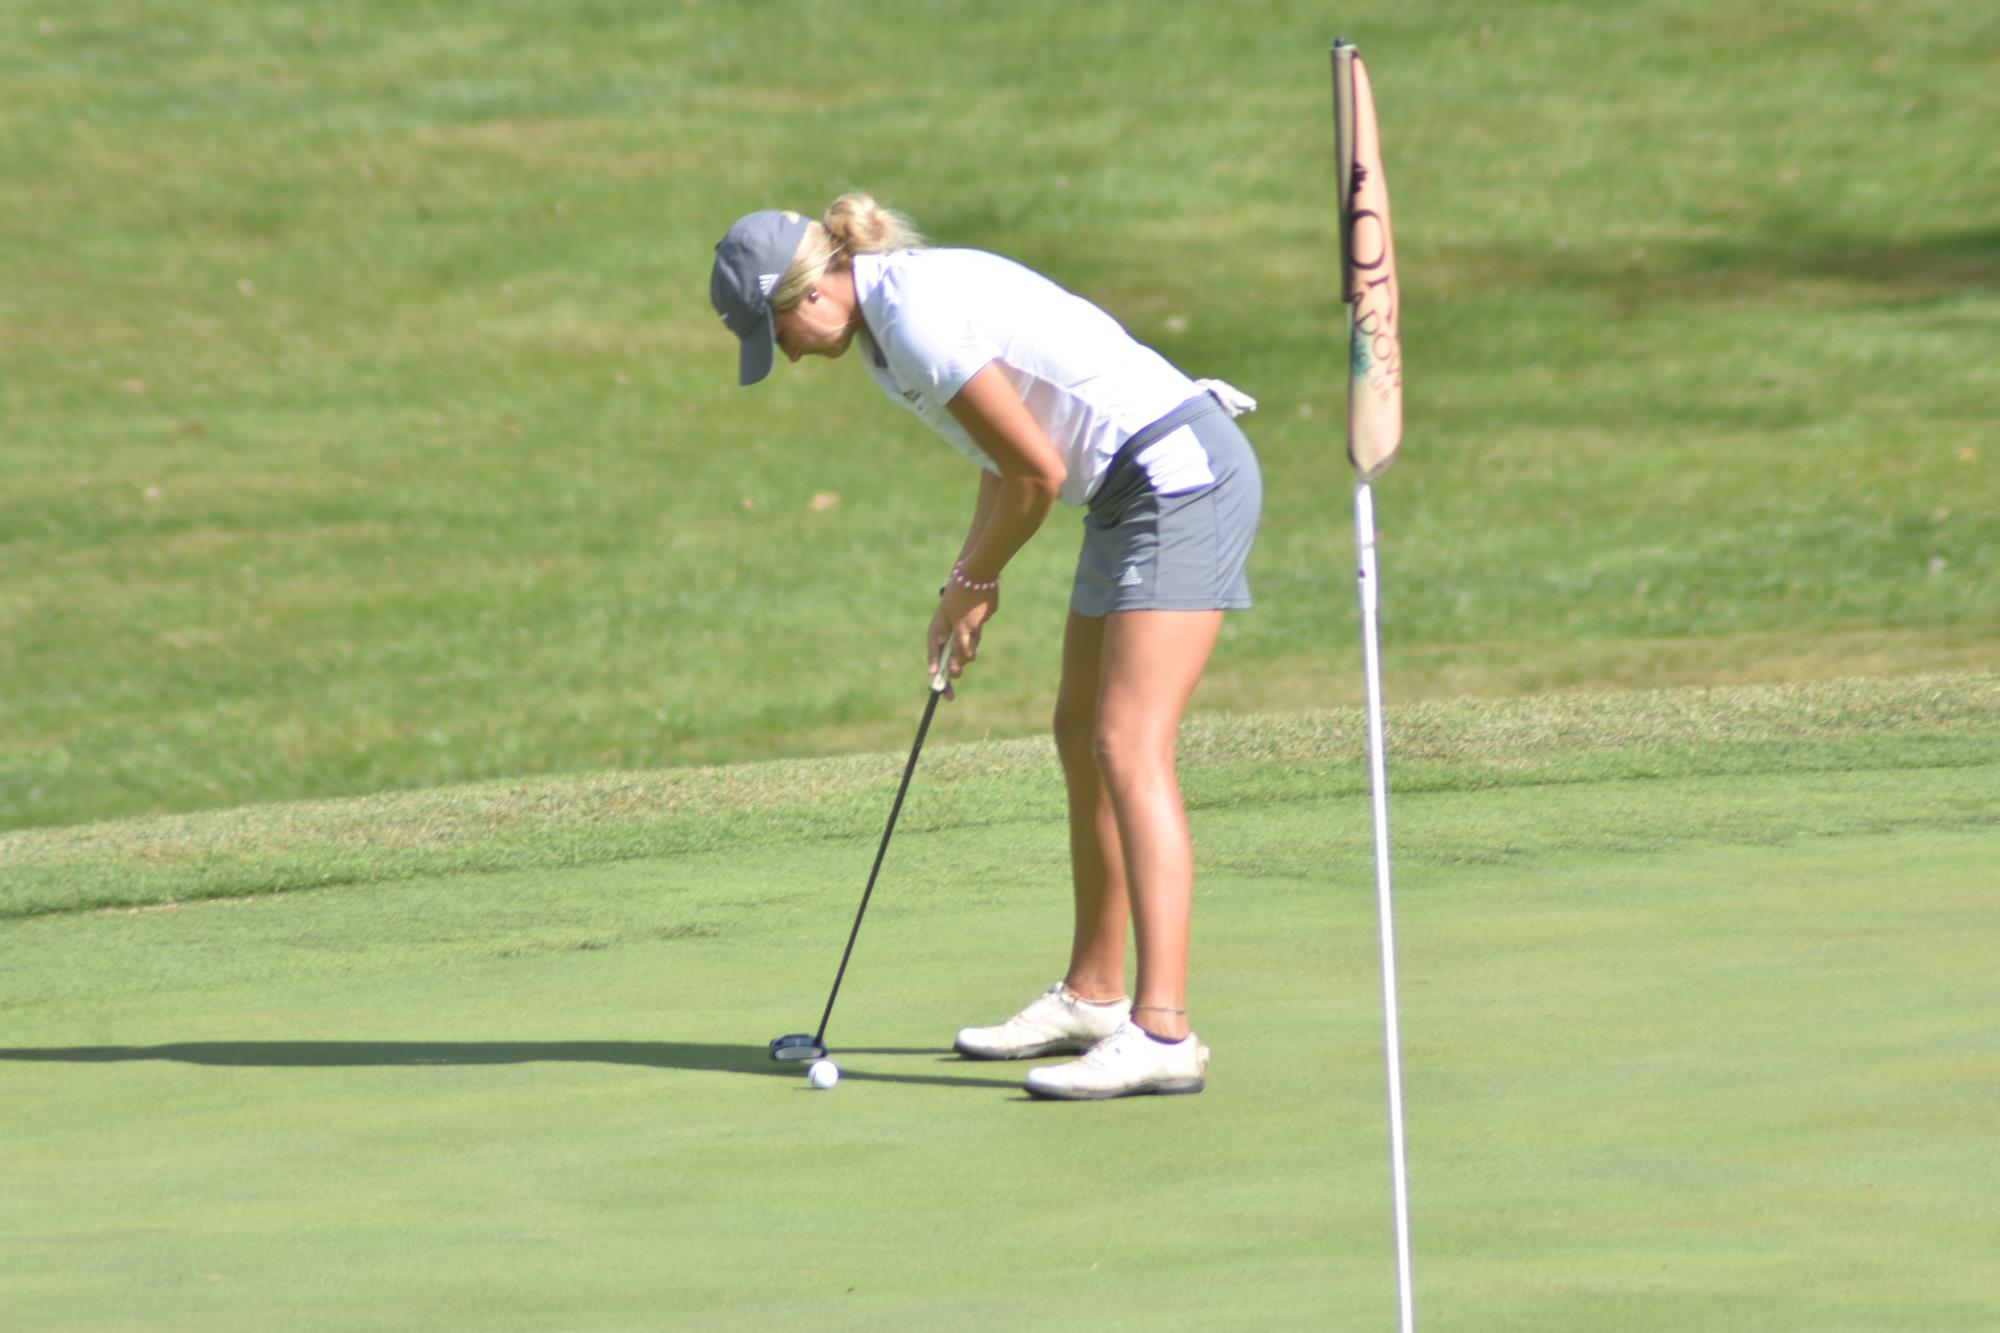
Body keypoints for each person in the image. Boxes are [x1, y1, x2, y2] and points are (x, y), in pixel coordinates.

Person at [710, 195, 1261, 1100]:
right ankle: (1094, 994)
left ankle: (1162, 1030)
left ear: (805, 296)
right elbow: (1000, 451)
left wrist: (977, 584)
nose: (795, 360)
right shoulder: (887, 330)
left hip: (1179, 478)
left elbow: (1039, 473)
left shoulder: (912, 317)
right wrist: (964, 577)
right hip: (1127, 495)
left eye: (780, 338)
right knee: (1079, 727)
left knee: (1128, 742)